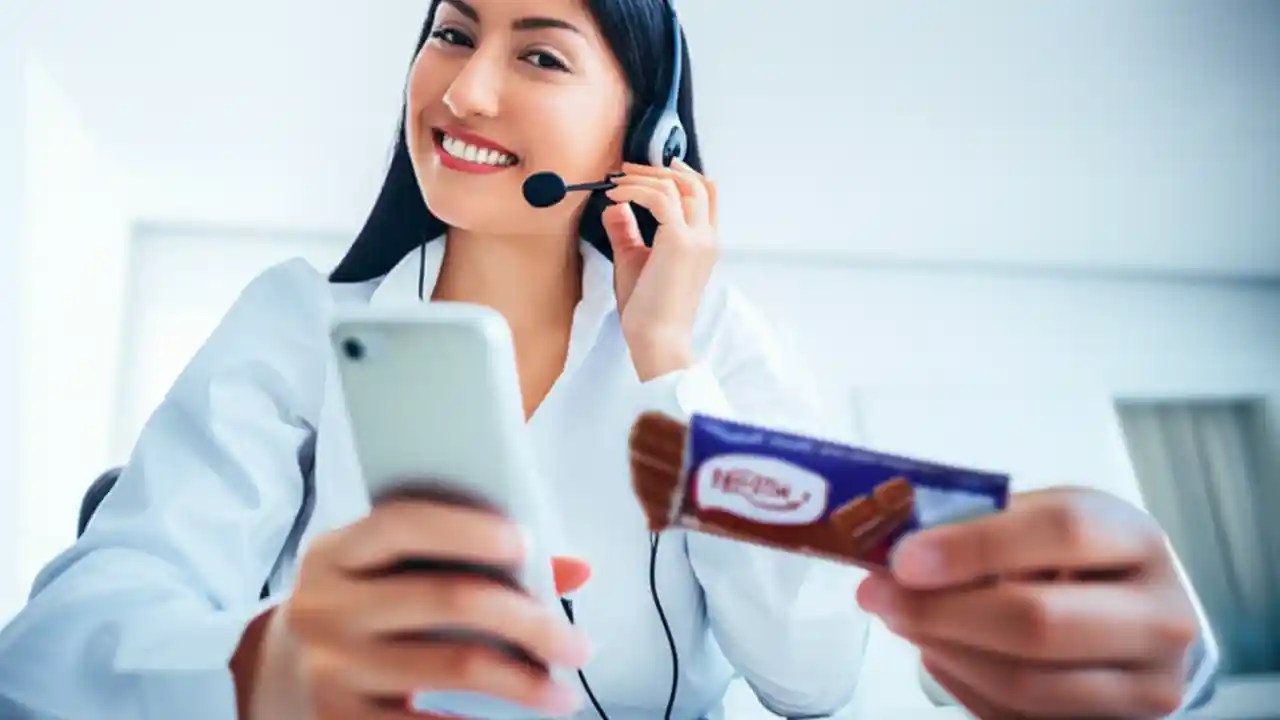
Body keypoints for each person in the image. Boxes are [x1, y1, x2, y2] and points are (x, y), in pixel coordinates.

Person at [0, 1, 1214, 719]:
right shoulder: (300, 319)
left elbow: (808, 677)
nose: (463, 88)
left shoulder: (719, 342)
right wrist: (267, 663)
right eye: (450, 33)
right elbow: (54, 656)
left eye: (537, 55)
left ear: (645, 132)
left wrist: (665, 360)